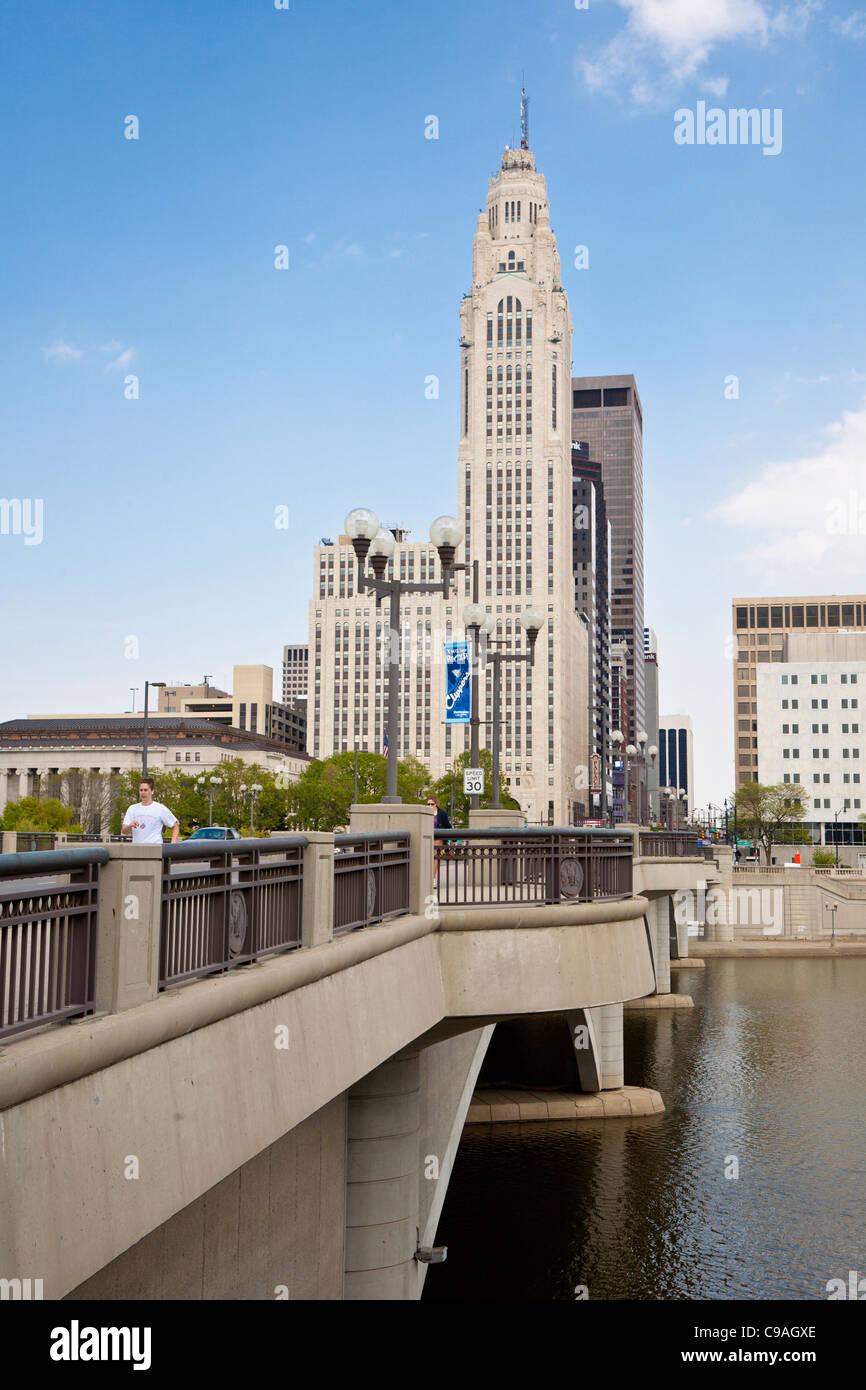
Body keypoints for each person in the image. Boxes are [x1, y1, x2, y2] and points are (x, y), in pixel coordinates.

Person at [122, 778, 180, 844]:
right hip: (137, 849)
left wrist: (173, 842)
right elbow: (124, 831)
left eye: (145, 790)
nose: (143, 792)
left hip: (155, 849)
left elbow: (175, 825)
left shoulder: (160, 808)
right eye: (141, 790)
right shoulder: (132, 808)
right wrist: (130, 825)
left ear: (152, 791)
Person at [426, 793, 452, 884]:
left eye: (432, 804)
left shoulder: (442, 814)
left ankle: (433, 879)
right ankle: (429, 878)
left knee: (435, 859)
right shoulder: (425, 813)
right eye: (428, 804)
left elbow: (448, 826)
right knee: (427, 859)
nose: (430, 806)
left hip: (438, 839)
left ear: (436, 804)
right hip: (426, 838)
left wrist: (454, 840)